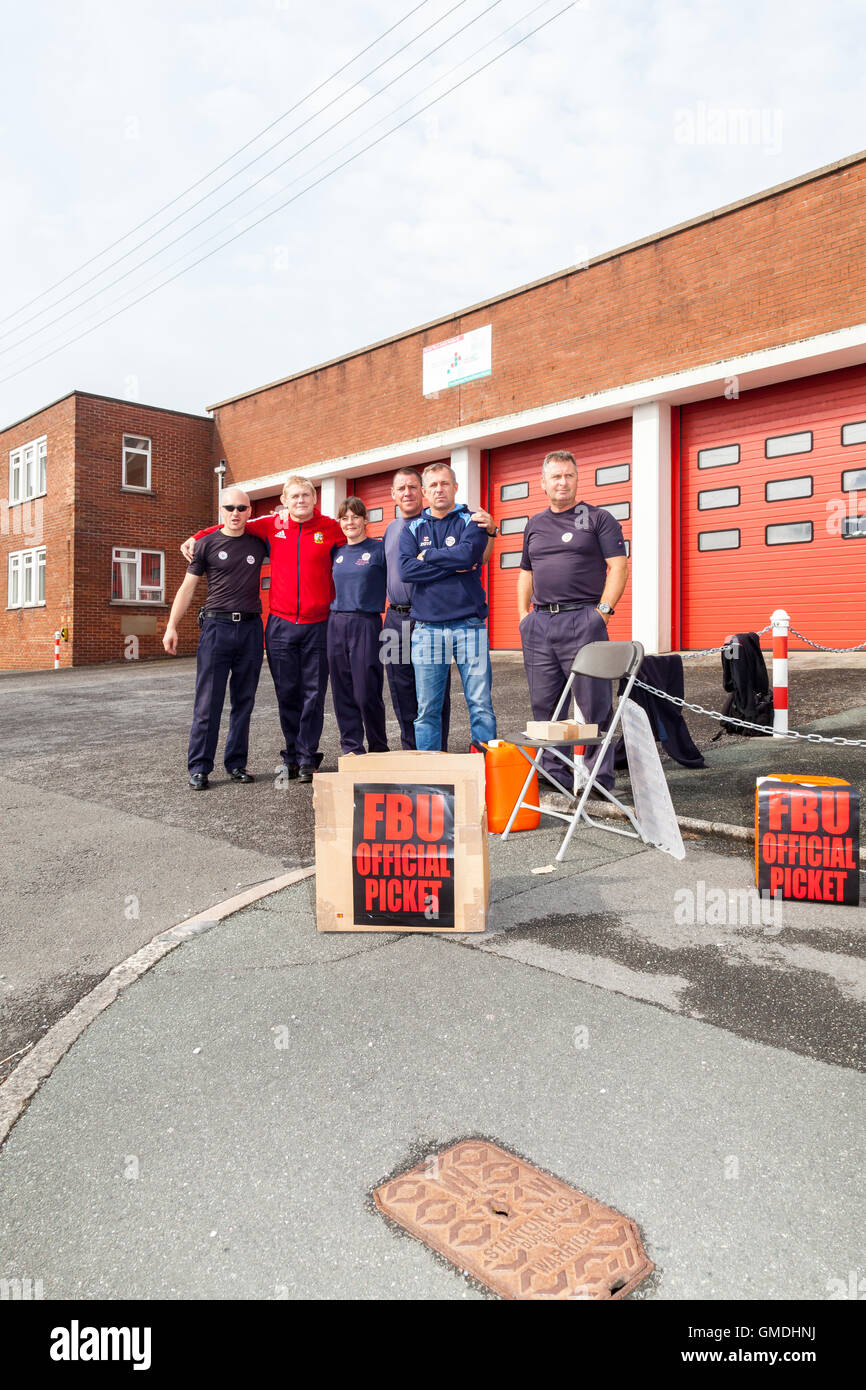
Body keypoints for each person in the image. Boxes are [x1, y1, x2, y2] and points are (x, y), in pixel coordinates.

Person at [181, 476, 344, 782]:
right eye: (294, 496)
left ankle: (308, 756)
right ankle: (291, 755)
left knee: (313, 695)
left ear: (314, 498)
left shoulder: (331, 528)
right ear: (284, 501)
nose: (300, 501)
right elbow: (232, 524)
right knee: (287, 694)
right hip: (280, 624)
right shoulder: (271, 526)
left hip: (318, 624)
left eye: (306, 495)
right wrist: (197, 535)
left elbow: (358, 540)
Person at [516, 449, 629, 794]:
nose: (562, 482)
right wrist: (523, 617)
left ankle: (598, 780)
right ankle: (555, 773)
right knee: (545, 706)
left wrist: (603, 612)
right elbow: (526, 573)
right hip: (540, 624)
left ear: (578, 479)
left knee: (594, 704)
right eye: (555, 476)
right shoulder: (534, 524)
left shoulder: (599, 519)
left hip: (584, 620)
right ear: (543, 484)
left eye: (568, 475)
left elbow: (619, 567)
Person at [382, 469, 496, 750]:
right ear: (425, 492)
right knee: (427, 710)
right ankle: (431, 778)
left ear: (455, 486)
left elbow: (471, 556)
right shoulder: (412, 527)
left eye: (445, 483)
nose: (439, 489)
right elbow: (407, 570)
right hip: (427, 629)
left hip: (470, 627)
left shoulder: (473, 520)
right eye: (432, 485)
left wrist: (429, 556)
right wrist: (453, 565)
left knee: (480, 705)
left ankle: (487, 773)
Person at [164, 486, 268, 789]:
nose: (235, 513)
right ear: (220, 511)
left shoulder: (259, 544)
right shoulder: (206, 545)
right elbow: (187, 588)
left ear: (250, 512)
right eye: (230, 508)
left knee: (244, 700)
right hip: (216, 629)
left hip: (250, 629)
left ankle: (236, 763)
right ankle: (199, 767)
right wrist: (172, 626)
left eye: (242, 508)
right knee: (208, 701)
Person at [328, 497, 389, 755]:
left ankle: (378, 748)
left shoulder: (379, 550)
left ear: (366, 520)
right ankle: (352, 747)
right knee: (342, 691)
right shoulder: (336, 552)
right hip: (336, 623)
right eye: (345, 517)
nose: (350, 522)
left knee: (366, 691)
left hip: (366, 623)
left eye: (355, 516)